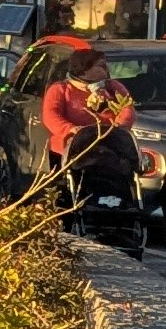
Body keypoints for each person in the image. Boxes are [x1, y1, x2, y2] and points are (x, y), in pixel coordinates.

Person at [41, 48, 139, 209]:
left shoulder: (114, 87)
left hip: (109, 146)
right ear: (84, 69)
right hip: (71, 150)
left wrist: (117, 127)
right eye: (101, 65)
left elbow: (127, 108)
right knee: (67, 191)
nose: (106, 69)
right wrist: (71, 129)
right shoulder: (61, 89)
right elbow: (50, 115)